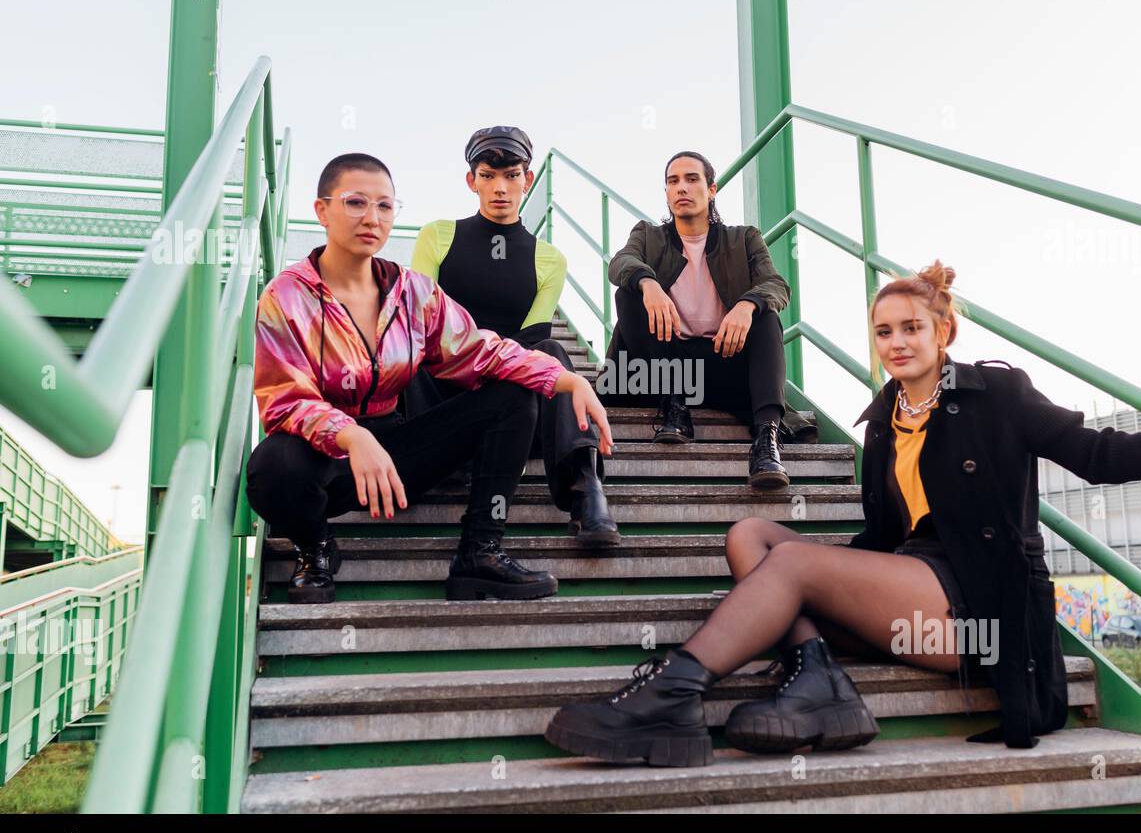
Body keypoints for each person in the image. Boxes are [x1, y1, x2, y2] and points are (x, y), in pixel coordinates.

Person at [545, 260, 1141, 767]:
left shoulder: (998, 398)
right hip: (914, 582)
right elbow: (883, 539)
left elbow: (1100, 457)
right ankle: (820, 679)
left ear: (942, 331)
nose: (897, 343)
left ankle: (676, 692)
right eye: (883, 332)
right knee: (751, 533)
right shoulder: (883, 420)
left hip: (979, 611)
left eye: (912, 327)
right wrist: (838, 575)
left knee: (790, 563)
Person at [245, 152, 613, 605]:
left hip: (398, 450)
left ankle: (480, 553)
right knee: (272, 466)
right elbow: (284, 400)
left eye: (385, 206)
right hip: (327, 462)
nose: (372, 218)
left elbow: (480, 351)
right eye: (356, 203)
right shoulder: (287, 296)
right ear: (322, 210)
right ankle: (315, 548)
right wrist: (351, 437)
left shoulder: (412, 292)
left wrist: (565, 379)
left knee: (514, 395)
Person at [411, 126, 618, 545]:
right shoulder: (438, 235)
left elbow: (530, 343)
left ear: (527, 179)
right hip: (445, 395)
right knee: (412, 348)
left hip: (516, 402)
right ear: (472, 181)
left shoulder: (549, 259)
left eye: (512, 175)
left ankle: (585, 488)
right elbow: (423, 322)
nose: (500, 188)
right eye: (488, 176)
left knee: (552, 350)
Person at [603, 151, 799, 490]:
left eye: (692, 179)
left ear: (711, 189)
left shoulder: (743, 238)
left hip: (721, 362)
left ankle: (766, 440)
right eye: (673, 181)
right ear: (666, 193)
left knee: (766, 318)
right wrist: (648, 283)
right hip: (661, 369)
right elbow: (621, 262)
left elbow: (777, 285)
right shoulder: (649, 235)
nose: (682, 188)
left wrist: (746, 305)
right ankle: (673, 405)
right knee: (628, 293)